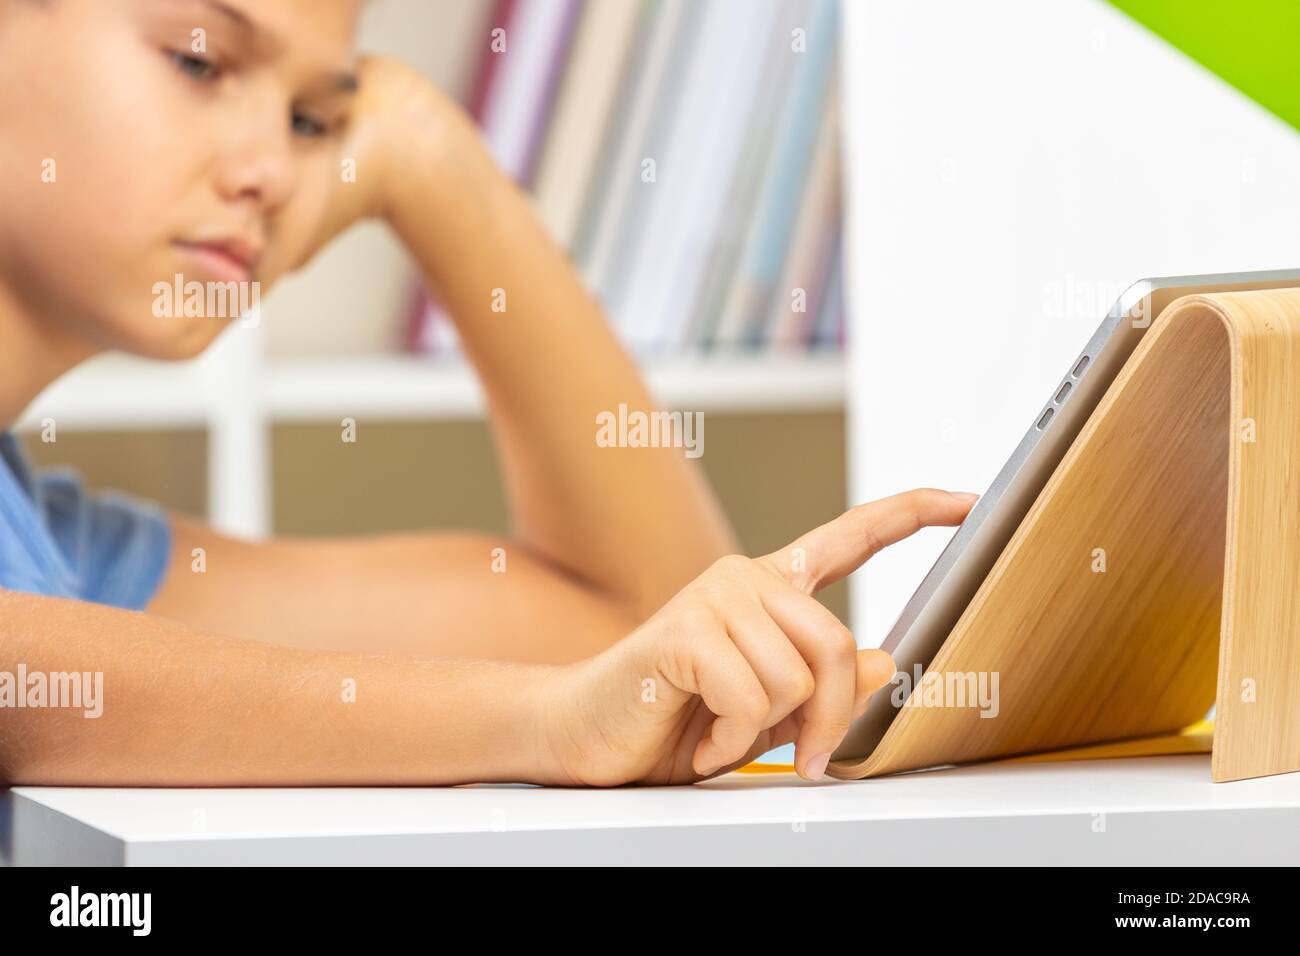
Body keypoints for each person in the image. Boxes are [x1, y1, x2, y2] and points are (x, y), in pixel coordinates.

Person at [0, 0, 976, 786]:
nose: (270, 170)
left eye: (312, 123)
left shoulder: (51, 549)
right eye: (199, 62)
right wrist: (545, 723)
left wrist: (428, 157)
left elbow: (643, 641)